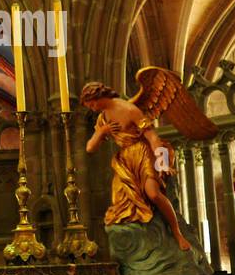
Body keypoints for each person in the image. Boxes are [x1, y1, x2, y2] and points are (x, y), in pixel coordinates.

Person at [80, 81, 191, 250]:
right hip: (125, 161)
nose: (93, 108)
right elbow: (90, 148)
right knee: (119, 205)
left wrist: (163, 163)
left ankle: (177, 233)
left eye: (93, 104)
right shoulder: (103, 118)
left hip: (143, 154)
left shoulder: (130, 110)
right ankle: (139, 242)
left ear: (99, 96)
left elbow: (153, 137)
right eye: (90, 106)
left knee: (153, 194)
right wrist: (102, 132)